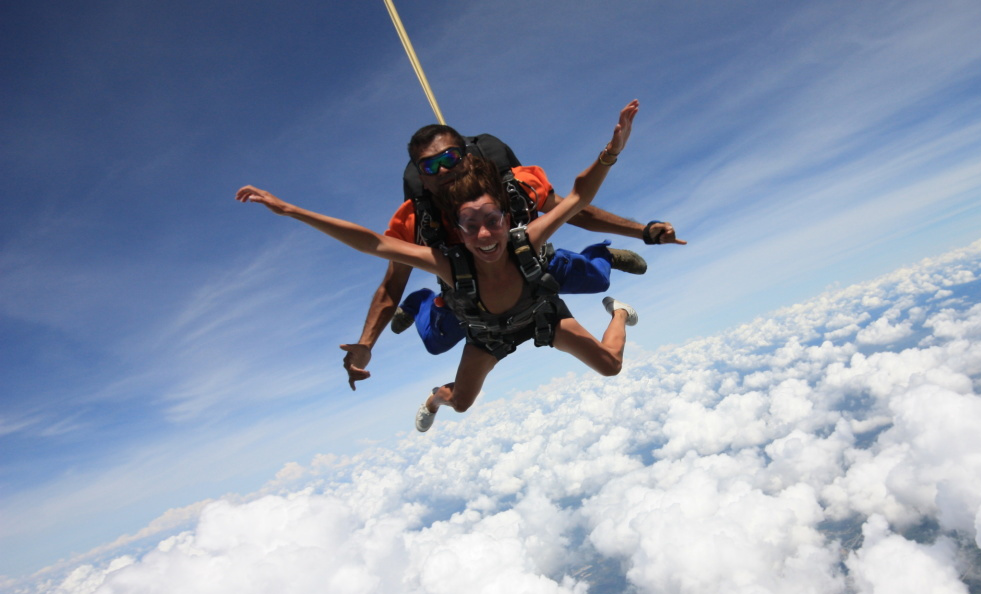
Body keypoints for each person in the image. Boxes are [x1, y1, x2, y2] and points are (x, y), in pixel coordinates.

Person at [238, 100, 642, 432]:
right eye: (470, 228)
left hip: (542, 314)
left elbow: (578, 199)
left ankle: (619, 311)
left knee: (610, 367)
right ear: (457, 233)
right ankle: (435, 396)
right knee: (460, 403)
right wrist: (289, 210)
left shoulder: (524, 233)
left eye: (493, 223)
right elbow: (372, 243)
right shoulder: (447, 259)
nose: (484, 236)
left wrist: (612, 152)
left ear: (506, 218)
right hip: (487, 334)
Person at [341, 119, 686, 390]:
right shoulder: (415, 220)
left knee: (597, 279)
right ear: (422, 177)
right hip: (468, 293)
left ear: (469, 158)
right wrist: (367, 343)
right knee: (435, 343)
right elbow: (390, 286)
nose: (443, 170)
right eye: (430, 167)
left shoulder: (517, 187)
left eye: (450, 158)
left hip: (531, 266)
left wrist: (643, 231)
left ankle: (603, 255)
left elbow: (575, 209)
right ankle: (421, 302)